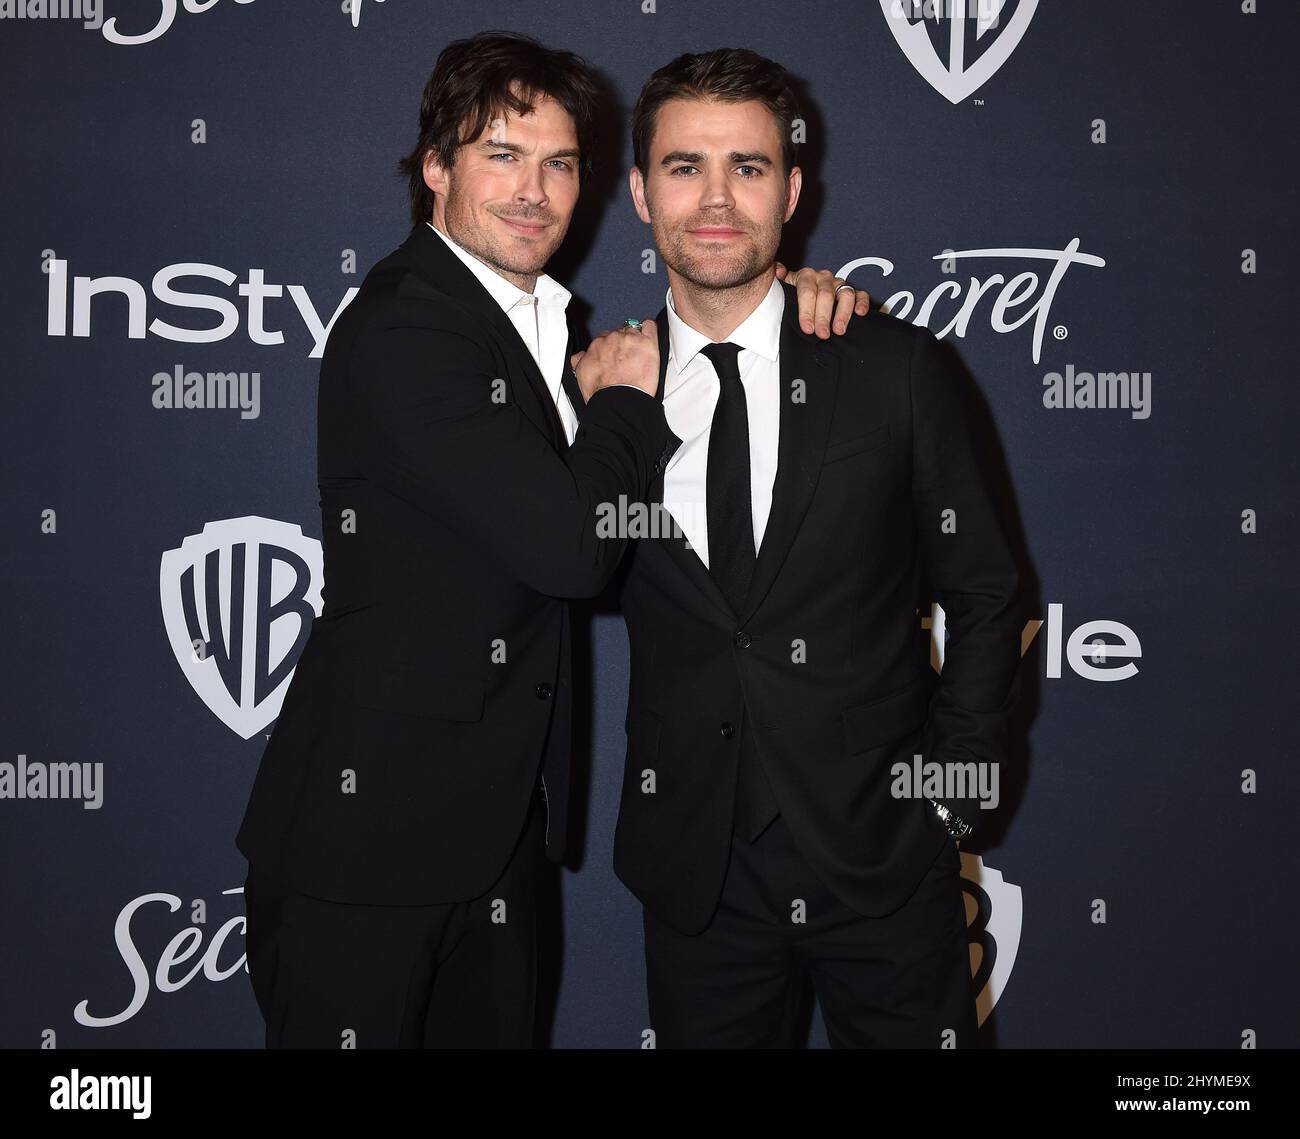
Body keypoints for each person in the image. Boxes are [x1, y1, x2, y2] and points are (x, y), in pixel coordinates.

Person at [235, 30, 868, 1048]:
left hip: (492, 839)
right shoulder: (413, 324)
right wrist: (617, 400)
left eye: (558, 162)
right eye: (501, 154)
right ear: (435, 169)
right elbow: (575, 545)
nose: (534, 189)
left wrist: (784, 302)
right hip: (366, 850)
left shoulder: (531, 333)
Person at [608, 47, 1023, 1048]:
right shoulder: (598, 385)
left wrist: (949, 797)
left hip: (884, 857)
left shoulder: (894, 369)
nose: (716, 199)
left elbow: (987, 590)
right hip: (696, 872)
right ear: (637, 191)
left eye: (747, 167)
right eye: (684, 166)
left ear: (791, 190)